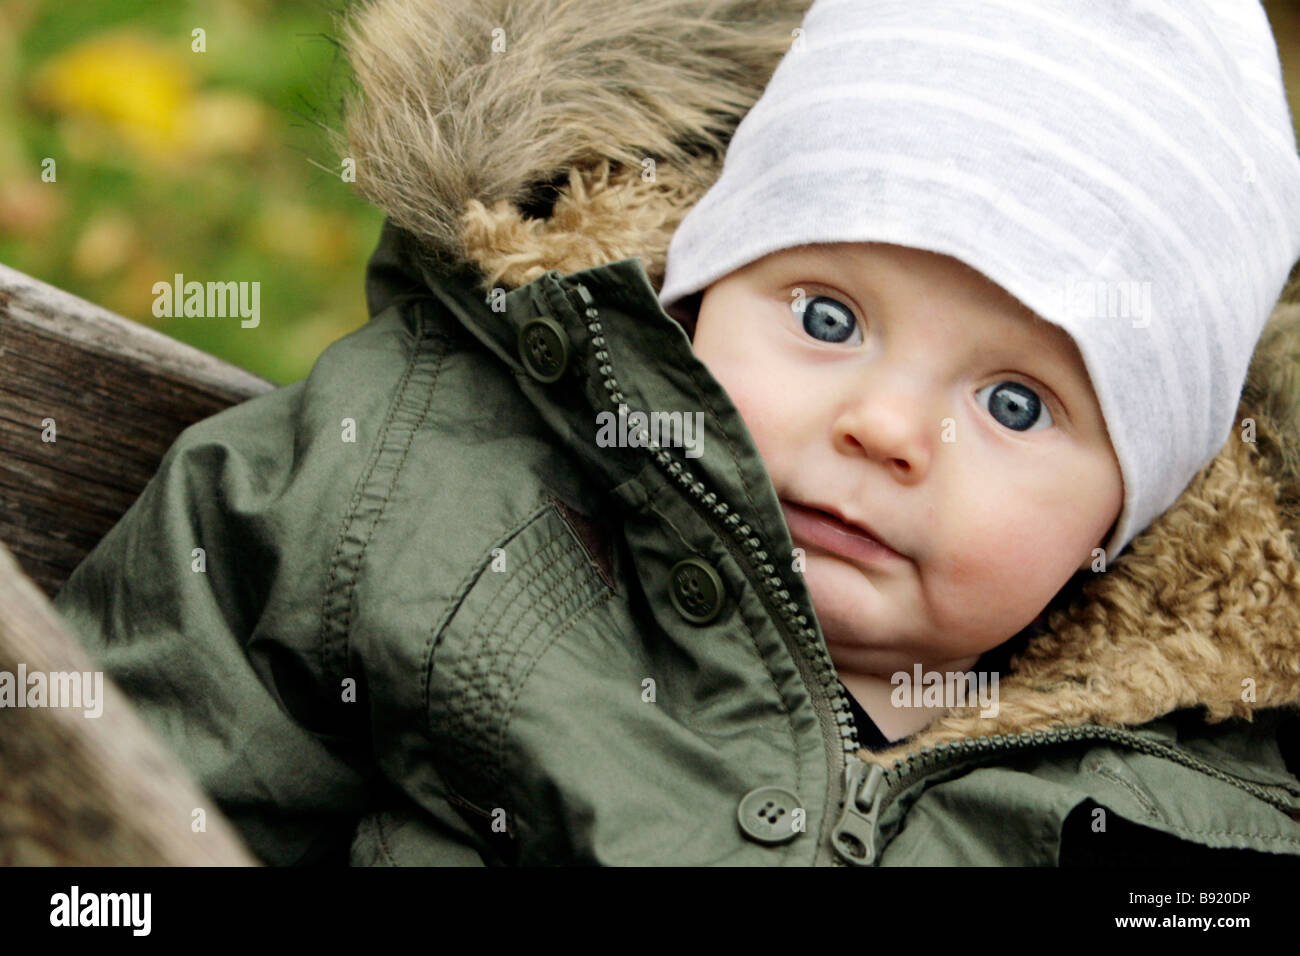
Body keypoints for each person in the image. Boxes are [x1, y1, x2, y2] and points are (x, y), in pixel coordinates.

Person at [52, 0, 1300, 865]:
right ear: (697, 292)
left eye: (1015, 403)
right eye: (826, 315)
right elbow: (119, 799)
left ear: (1128, 516)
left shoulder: (1203, 810)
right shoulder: (423, 494)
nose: (882, 427)